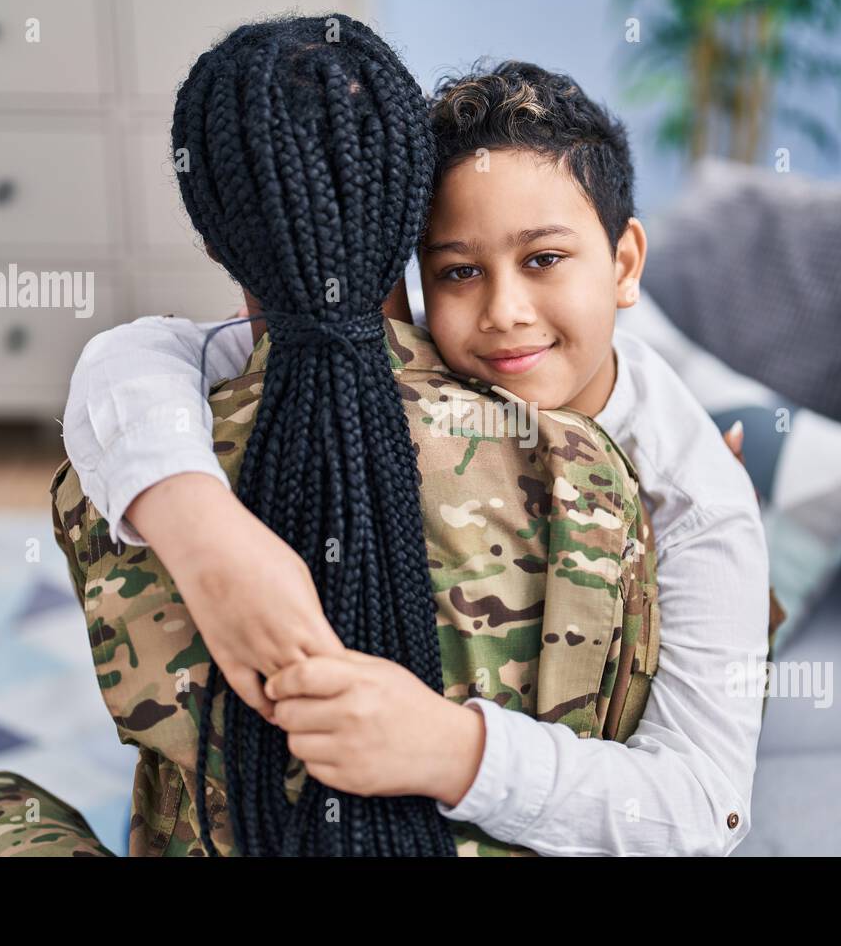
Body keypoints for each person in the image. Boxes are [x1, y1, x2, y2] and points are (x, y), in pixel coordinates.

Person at [62, 57, 773, 854]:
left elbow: (707, 807)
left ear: (626, 264)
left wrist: (449, 750)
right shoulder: (411, 351)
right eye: (459, 271)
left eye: (543, 260)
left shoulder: (694, 494)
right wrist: (206, 537)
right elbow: (134, 360)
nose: (504, 312)